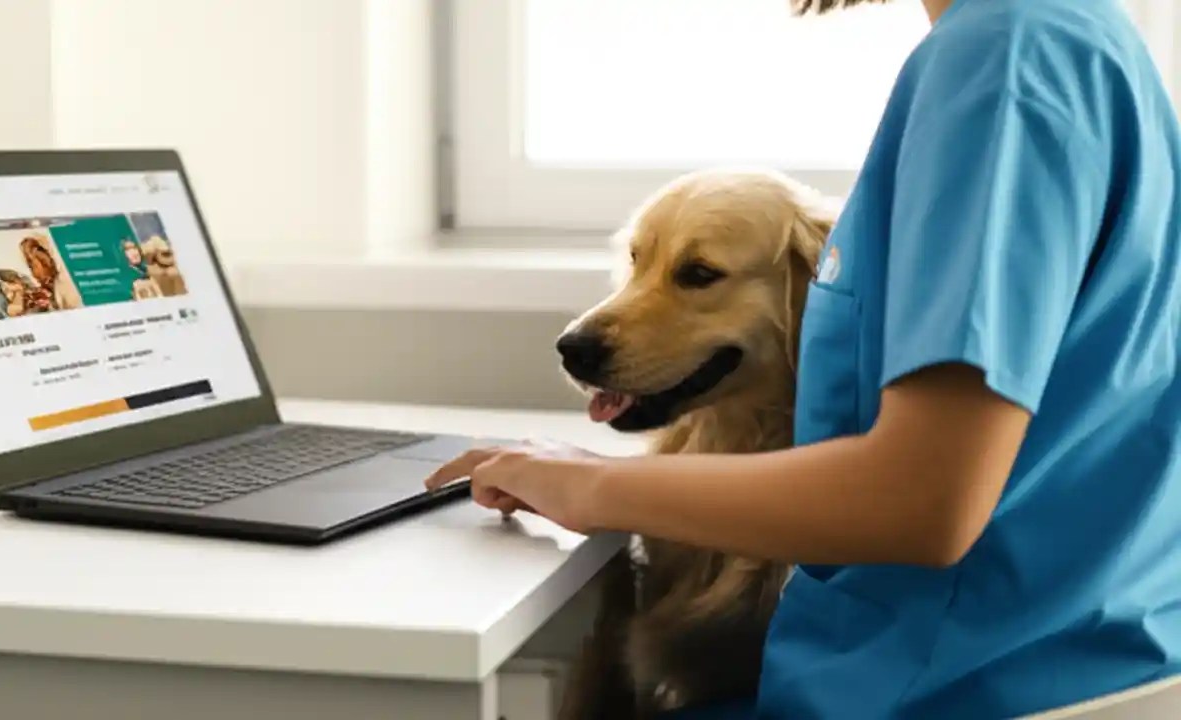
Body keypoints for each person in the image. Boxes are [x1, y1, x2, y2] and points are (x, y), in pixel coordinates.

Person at [425, 0, 1181, 717]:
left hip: (942, 693)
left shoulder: (1004, 67)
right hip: (1067, 663)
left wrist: (594, 487)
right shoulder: (1075, 35)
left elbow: (925, 501)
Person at [20, 235, 82, 310]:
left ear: (43, 262)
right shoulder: (54, 284)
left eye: (31, 266)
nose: (33, 274)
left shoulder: (65, 283)